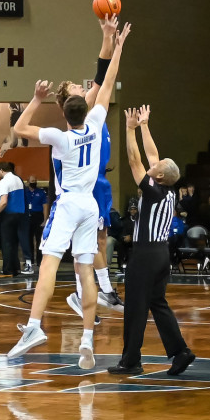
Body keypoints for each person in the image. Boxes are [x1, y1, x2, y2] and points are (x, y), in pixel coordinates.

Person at [7, 22, 130, 366]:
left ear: (63, 111)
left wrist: (35, 99)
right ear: (82, 106)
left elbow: (19, 129)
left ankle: (33, 326)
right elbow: (105, 82)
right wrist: (117, 44)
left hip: (69, 202)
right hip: (90, 202)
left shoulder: (61, 137)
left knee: (49, 262)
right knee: (85, 269)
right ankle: (88, 339)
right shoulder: (96, 122)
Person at [109, 106, 193, 376]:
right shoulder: (167, 190)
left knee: (135, 306)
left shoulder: (154, 191)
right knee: (158, 303)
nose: (151, 164)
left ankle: (131, 360)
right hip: (161, 255)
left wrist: (129, 128)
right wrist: (145, 125)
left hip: (145, 254)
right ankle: (181, 351)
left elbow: (135, 161)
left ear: (157, 176)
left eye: (154, 167)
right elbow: (152, 157)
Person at [57, 17, 127, 315]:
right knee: (90, 240)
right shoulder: (83, 108)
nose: (81, 84)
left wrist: (109, 38)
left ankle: (90, 292)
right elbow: (104, 73)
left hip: (98, 181)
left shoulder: (86, 112)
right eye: (75, 85)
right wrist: (109, 38)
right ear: (70, 98)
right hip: (88, 184)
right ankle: (103, 291)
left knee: (97, 239)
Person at [0, 162, 30, 276]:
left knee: (6, 243)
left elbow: (4, 202)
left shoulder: (4, 181)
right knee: (15, 243)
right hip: (20, 215)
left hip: (8, 215)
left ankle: (8, 270)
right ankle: (16, 269)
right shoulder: (18, 179)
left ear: (2, 170)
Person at [26, 175, 47, 263]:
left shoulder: (41, 192)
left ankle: (39, 260)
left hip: (38, 216)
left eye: (35, 181)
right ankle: (30, 261)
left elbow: (45, 206)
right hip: (27, 216)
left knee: (39, 239)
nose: (34, 182)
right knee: (28, 239)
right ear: (28, 182)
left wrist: (45, 220)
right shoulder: (24, 192)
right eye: (32, 181)